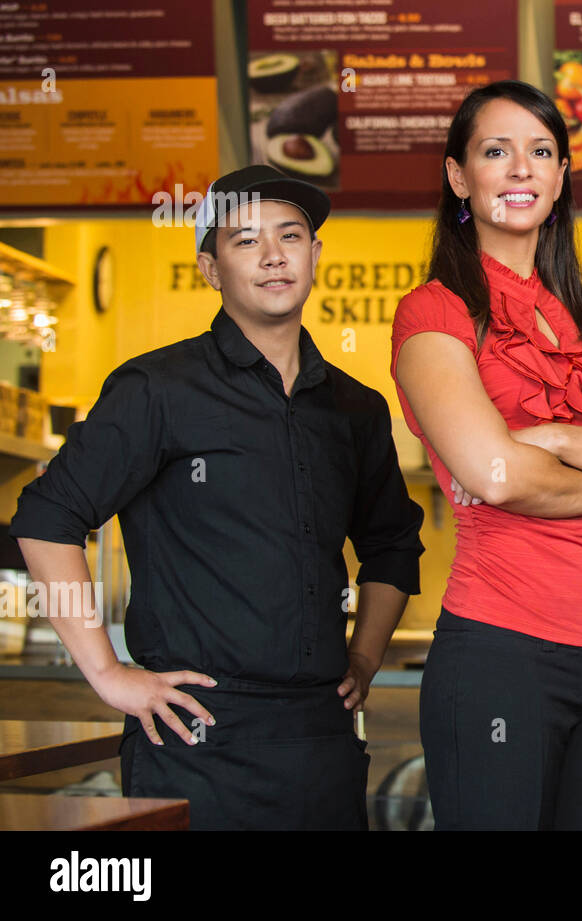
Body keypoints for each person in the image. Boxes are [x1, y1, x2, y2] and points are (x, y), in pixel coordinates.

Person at [10, 165, 425, 830]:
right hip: (196, 734)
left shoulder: (356, 409)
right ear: (210, 267)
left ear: (314, 255)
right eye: (245, 241)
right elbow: (46, 519)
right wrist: (107, 671)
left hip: (322, 736)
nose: (272, 256)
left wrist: (366, 655)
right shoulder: (157, 389)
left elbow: (393, 545)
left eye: (290, 236)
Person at [390, 79, 582, 831]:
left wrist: (558, 440)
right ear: (460, 177)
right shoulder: (435, 312)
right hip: (505, 651)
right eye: (496, 151)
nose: (521, 169)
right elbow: (498, 476)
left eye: (540, 152)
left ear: (562, 175)